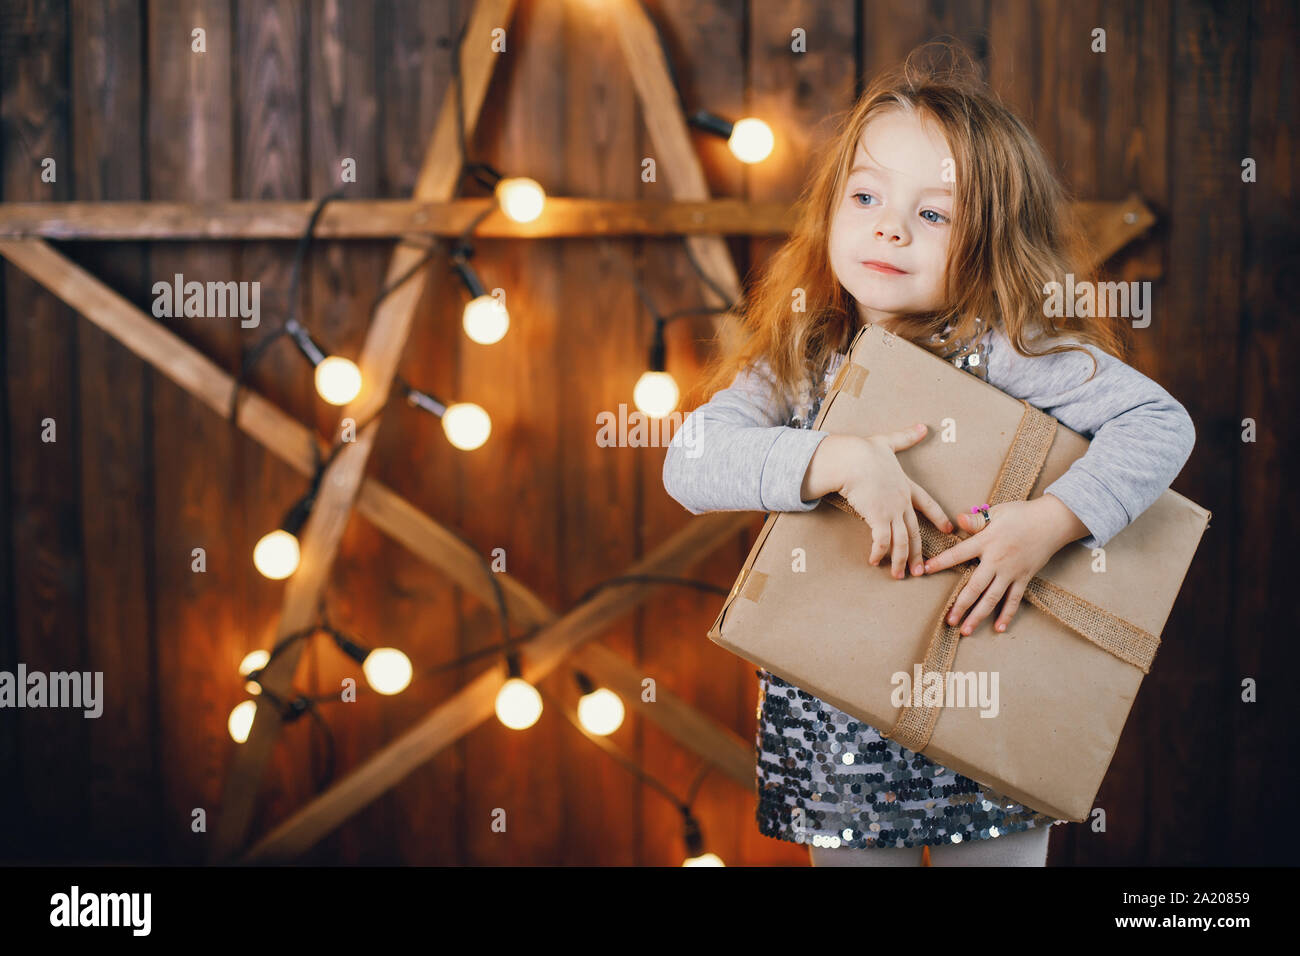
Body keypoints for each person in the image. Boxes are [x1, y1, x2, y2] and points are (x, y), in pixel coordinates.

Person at [661, 43, 1196, 867]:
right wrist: (839, 459)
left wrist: (1051, 521)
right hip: (834, 727)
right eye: (866, 195)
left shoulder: (1012, 347)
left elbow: (1159, 425)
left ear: (990, 235)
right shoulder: (803, 351)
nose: (890, 226)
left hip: (994, 703)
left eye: (934, 213)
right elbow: (689, 462)